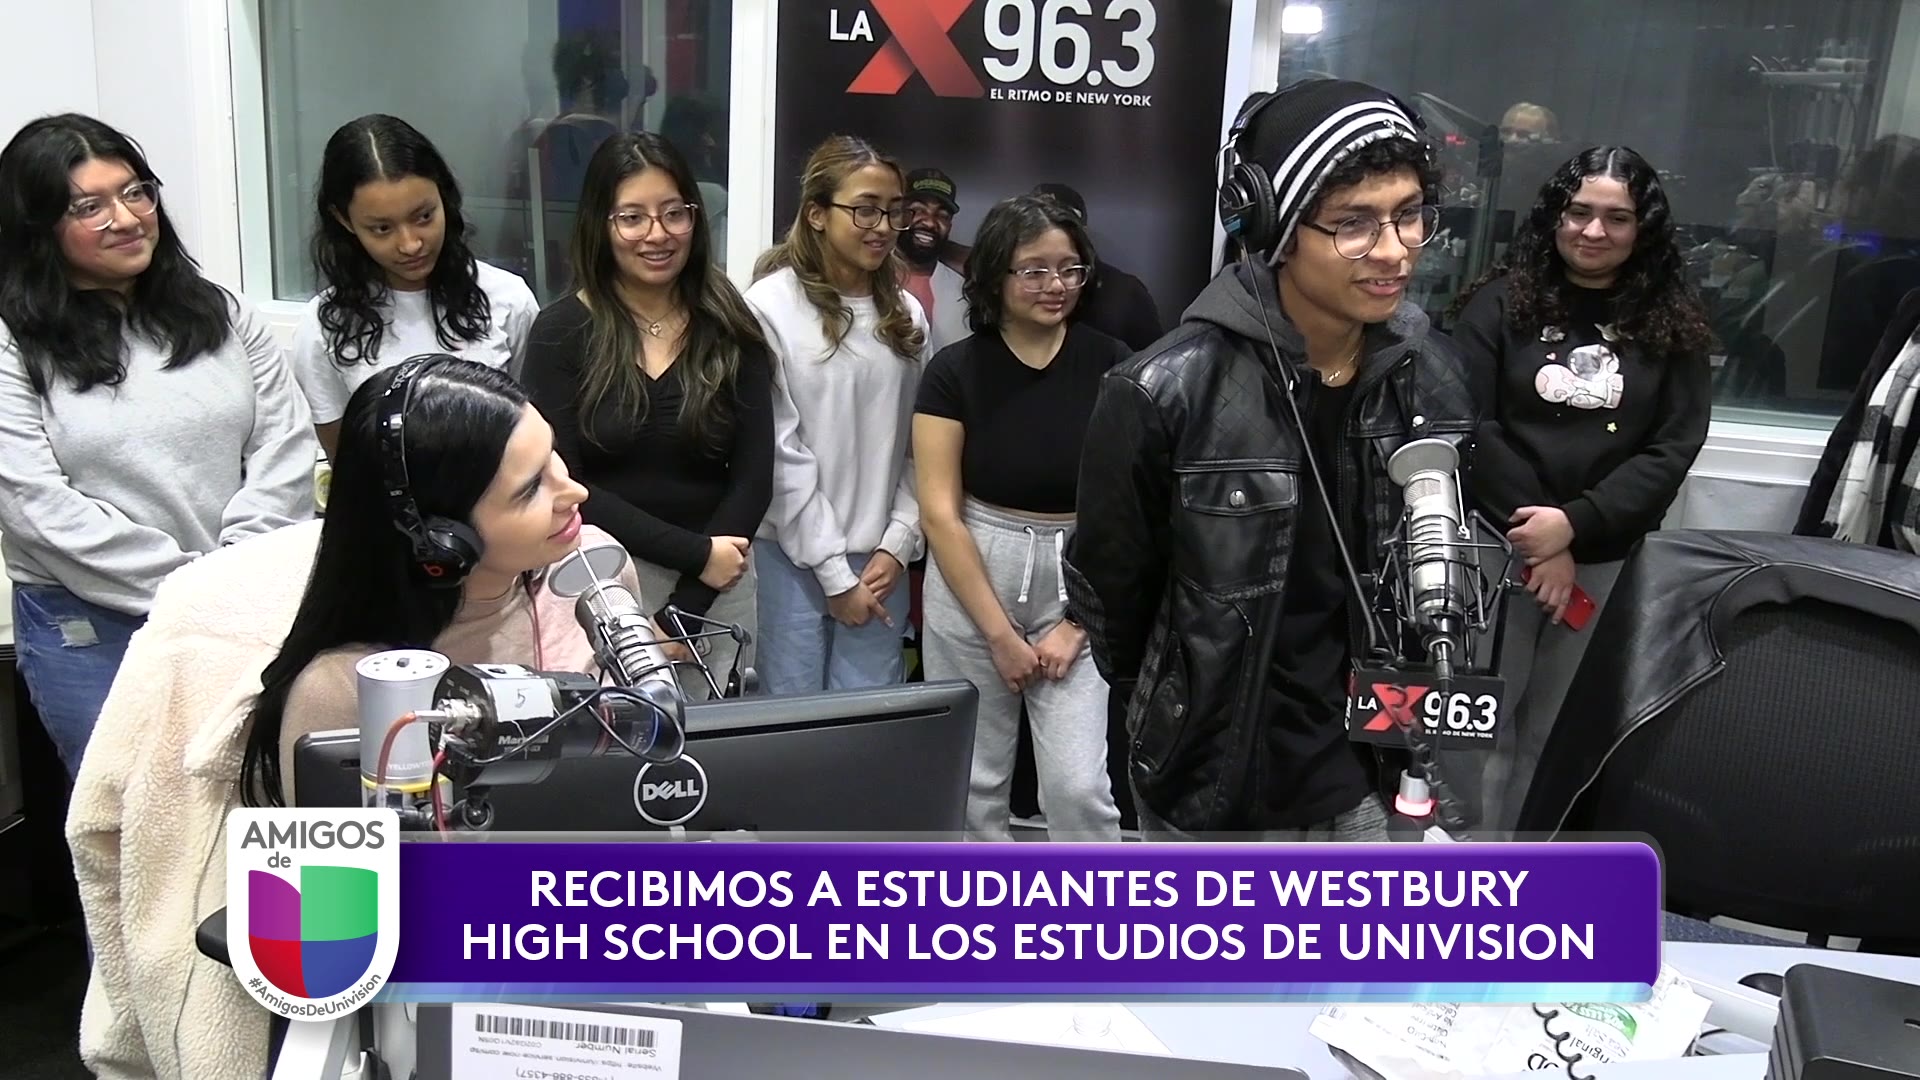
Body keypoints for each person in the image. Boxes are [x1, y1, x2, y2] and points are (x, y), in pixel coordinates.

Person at [68, 355, 657, 1079]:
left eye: (554, 458)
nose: (575, 492)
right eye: (532, 487)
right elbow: (326, 928)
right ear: (442, 539)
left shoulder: (593, 573)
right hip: (428, 994)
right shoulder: (340, 689)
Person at [1064, 79, 1476, 841]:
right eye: (1354, 224)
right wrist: (1188, 698)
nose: (1394, 250)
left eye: (1409, 214)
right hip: (1210, 783)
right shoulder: (1160, 391)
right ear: (1271, 227)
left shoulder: (1434, 377)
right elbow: (1114, 601)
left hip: (1368, 770)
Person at [0, 113, 316, 780]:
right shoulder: (13, 342)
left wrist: (229, 579)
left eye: (135, 192)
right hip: (93, 623)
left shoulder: (223, 312)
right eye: (89, 207)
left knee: (248, 801)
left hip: (240, 604)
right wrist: (188, 586)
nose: (126, 218)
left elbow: (283, 449)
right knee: (127, 814)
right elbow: (34, 504)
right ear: (37, 228)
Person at [1450, 146, 1713, 830]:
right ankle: (1467, 866)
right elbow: (1468, 423)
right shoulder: (1497, 303)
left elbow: (1672, 447)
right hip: (1496, 549)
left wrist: (1574, 526)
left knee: (1559, 732)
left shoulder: (1671, 321)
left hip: (1606, 561)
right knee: (1473, 731)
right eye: (1579, 212)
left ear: (1641, 229)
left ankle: (1530, 869)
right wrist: (1542, 537)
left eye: (1616, 218)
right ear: (1555, 216)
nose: (1594, 231)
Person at [520, 132, 773, 698]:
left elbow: (754, 480)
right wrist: (695, 555)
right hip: (597, 579)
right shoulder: (560, 333)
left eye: (673, 213)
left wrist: (691, 600)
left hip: (719, 583)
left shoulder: (732, 326)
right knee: (606, 744)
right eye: (632, 218)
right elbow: (565, 483)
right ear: (600, 224)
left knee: (719, 746)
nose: (657, 234)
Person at [914, 194, 1127, 842]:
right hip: (974, 572)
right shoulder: (954, 370)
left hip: (1079, 577)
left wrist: (1078, 623)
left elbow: (1129, 510)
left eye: (1069, 268)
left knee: (1078, 787)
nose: (1055, 285)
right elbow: (939, 513)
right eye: (1034, 270)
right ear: (996, 274)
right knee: (972, 786)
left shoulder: (1115, 365)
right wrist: (999, 635)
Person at [747, 135, 930, 694]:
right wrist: (833, 573)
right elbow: (779, 453)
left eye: (894, 211)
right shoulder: (769, 307)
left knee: (869, 726)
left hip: (880, 563)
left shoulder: (907, 314)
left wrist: (898, 542)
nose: (883, 226)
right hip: (791, 560)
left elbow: (920, 446)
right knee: (792, 723)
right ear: (817, 214)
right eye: (865, 209)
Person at [292, 114, 538, 456]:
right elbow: (347, 463)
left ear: (444, 197)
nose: (410, 244)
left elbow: (535, 434)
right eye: (382, 229)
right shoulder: (324, 327)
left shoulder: (509, 300)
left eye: (424, 216)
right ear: (344, 220)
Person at [1031, 182, 1164, 350]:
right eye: (1038, 226)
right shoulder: (1011, 285)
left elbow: (1156, 361)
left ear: (1082, 232)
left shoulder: (1125, 294)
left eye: (1064, 226)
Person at [899, 167, 971, 352]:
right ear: (898, 213)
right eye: (918, 210)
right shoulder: (869, 278)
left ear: (950, 225)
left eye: (942, 216)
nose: (930, 222)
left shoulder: (966, 290)